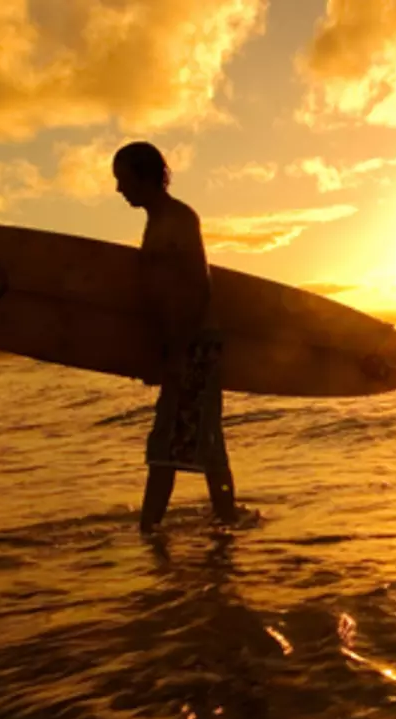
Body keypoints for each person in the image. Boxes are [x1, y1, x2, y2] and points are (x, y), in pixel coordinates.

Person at [112, 142, 238, 536]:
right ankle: (226, 525)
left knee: (172, 442)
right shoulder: (158, 220)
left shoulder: (179, 218)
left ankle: (151, 531)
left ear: (145, 175)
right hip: (184, 343)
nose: (119, 189)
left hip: (194, 343)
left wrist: (179, 352)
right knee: (200, 441)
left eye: (123, 179)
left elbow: (198, 288)